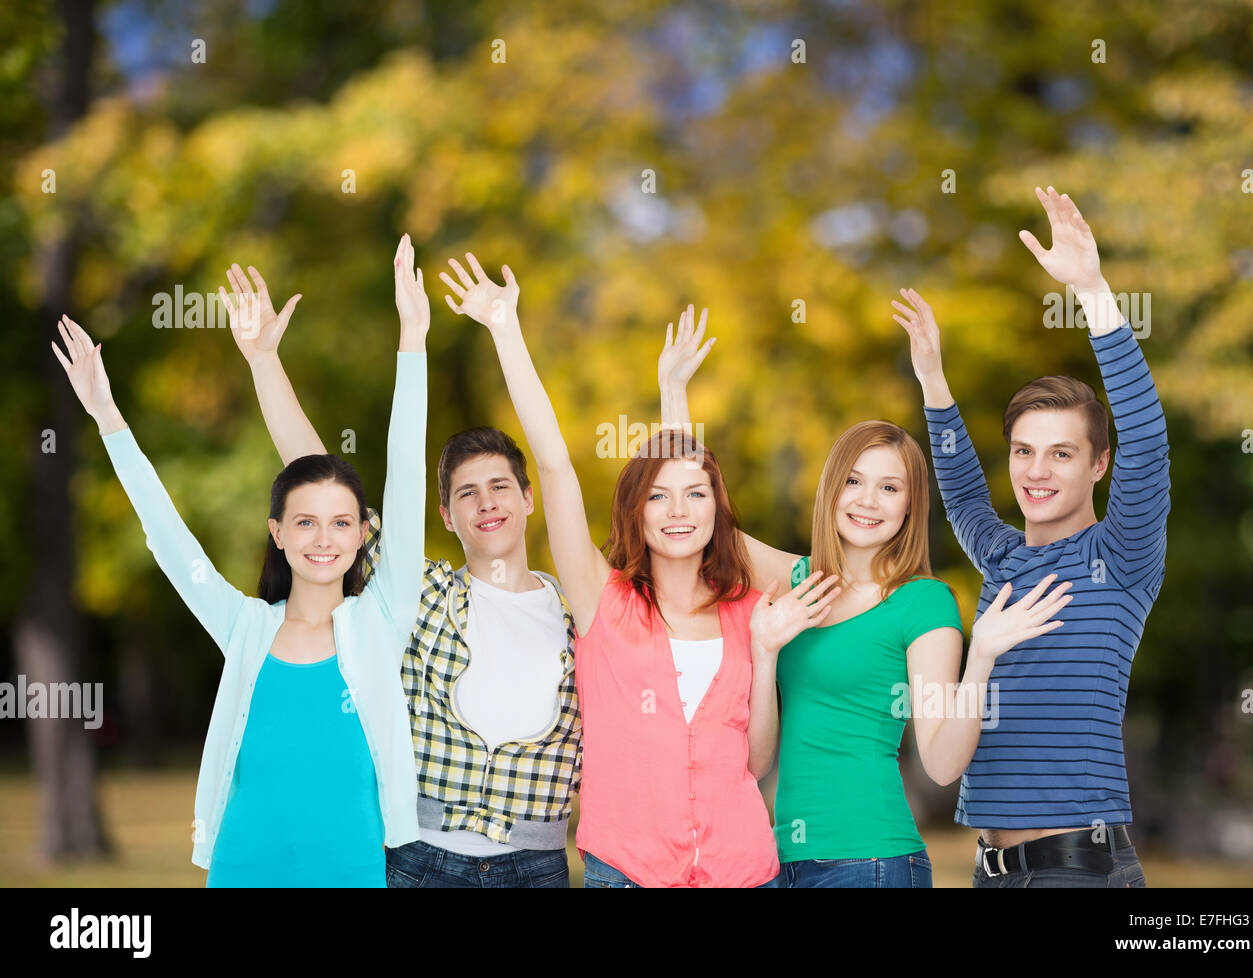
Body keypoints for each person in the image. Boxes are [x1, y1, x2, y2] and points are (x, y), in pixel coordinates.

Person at [437, 260, 837, 887]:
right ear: (635, 512)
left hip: (744, 871)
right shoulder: (604, 602)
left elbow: (755, 763)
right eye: (657, 498)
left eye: (697, 497)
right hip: (626, 871)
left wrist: (764, 650)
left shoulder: (749, 611)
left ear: (719, 510)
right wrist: (504, 327)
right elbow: (554, 463)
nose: (678, 512)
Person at [49, 236, 428, 886]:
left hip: (352, 871)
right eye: (305, 521)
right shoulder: (246, 627)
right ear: (277, 533)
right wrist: (106, 413)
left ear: (364, 534)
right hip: (241, 868)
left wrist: (412, 340)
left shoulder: (383, 619)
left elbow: (407, 469)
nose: (323, 538)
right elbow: (169, 540)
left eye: (341, 523)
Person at [661, 309, 1071, 887]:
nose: (868, 501)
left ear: (909, 506)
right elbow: (700, 526)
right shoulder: (799, 582)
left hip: (872, 863)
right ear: (831, 490)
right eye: (853, 480)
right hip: (782, 861)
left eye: (889, 487)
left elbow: (943, 761)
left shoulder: (923, 602)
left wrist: (981, 660)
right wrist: (673, 393)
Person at [227, 241, 579, 888]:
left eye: (500, 486)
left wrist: (504, 328)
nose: (486, 503)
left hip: (538, 865)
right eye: (466, 494)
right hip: (422, 860)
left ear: (528, 499)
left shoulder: (576, 608)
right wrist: (264, 361)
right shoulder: (419, 591)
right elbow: (319, 478)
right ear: (446, 516)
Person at [895, 186, 1170, 887]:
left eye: (1062, 453)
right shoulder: (1003, 559)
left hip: (1077, 868)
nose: (1037, 471)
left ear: (1098, 464)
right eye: (1023, 451)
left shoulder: (1121, 555)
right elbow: (957, 489)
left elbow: (1146, 436)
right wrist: (932, 378)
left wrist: (1092, 289)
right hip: (993, 871)